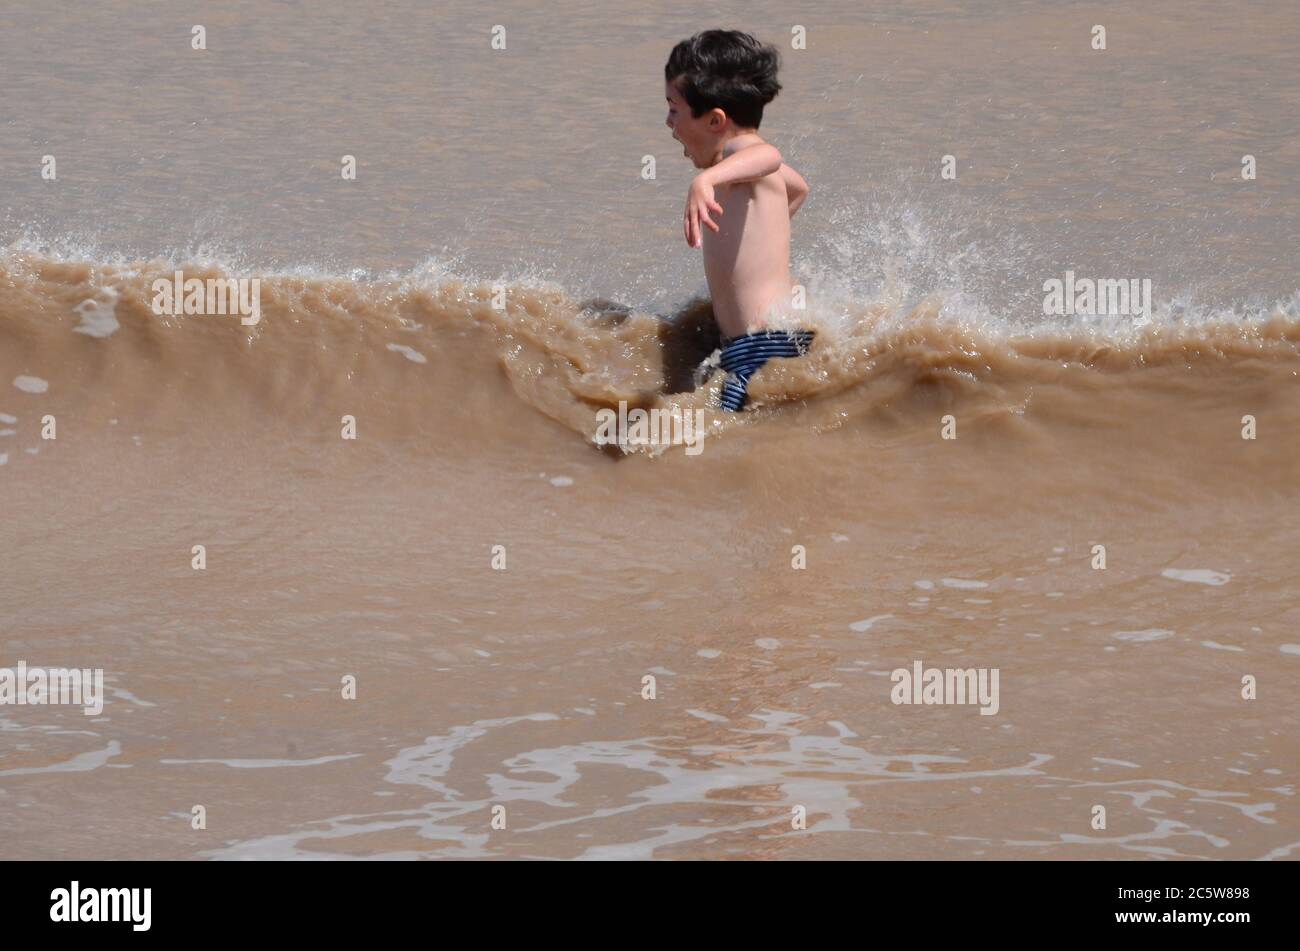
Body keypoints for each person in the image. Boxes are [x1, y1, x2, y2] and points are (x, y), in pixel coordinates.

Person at [664, 29, 814, 411]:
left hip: (757, 348)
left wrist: (706, 179)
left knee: (718, 441)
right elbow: (798, 188)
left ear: (715, 120)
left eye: (674, 109)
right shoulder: (741, 171)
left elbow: (770, 155)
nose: (668, 122)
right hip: (770, 339)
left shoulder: (739, 154)